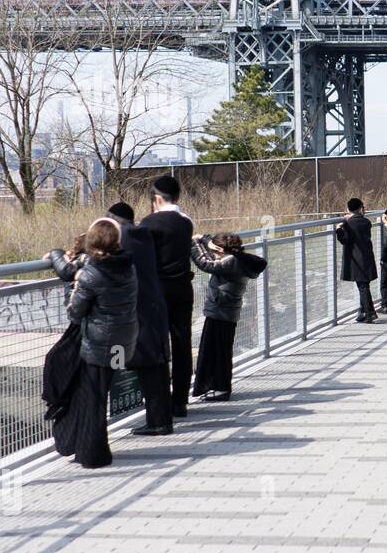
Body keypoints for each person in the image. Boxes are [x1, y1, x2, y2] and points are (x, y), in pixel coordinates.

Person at [60, 218, 138, 469]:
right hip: (122, 341)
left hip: (100, 344)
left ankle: (95, 454)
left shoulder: (92, 273)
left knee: (94, 397)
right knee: (100, 392)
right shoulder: (128, 266)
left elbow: (74, 312)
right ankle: (88, 448)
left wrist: (70, 287)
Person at [108, 201, 173, 437]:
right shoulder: (141, 234)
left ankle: (158, 423)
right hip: (154, 306)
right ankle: (161, 419)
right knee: (156, 366)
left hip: (140, 311)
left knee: (149, 368)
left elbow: (107, 259)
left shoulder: (122, 236)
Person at [138, 175, 194, 418]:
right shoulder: (186, 221)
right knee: (182, 343)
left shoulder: (148, 223)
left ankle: (160, 402)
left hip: (157, 290)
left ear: (157, 198)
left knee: (157, 345)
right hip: (183, 288)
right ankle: (180, 401)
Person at [190, 232, 267, 401]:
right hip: (225, 311)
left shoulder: (231, 261)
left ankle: (221, 389)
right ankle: (216, 387)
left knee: (218, 352)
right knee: (217, 351)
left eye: (216, 251)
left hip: (221, 311)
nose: (215, 254)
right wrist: (205, 240)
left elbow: (206, 263)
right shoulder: (237, 259)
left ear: (220, 249)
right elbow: (214, 258)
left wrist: (194, 244)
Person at [336, 197, 379, 323]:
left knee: (362, 286)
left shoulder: (348, 224)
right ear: (361, 208)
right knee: (364, 285)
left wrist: (339, 229)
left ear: (348, 209)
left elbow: (345, 240)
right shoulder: (366, 222)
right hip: (367, 257)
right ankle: (364, 312)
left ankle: (370, 313)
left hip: (356, 259)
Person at [45, 234, 88, 303]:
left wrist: (54, 253)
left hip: (79, 302)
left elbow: (66, 271)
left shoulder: (83, 260)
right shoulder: (103, 259)